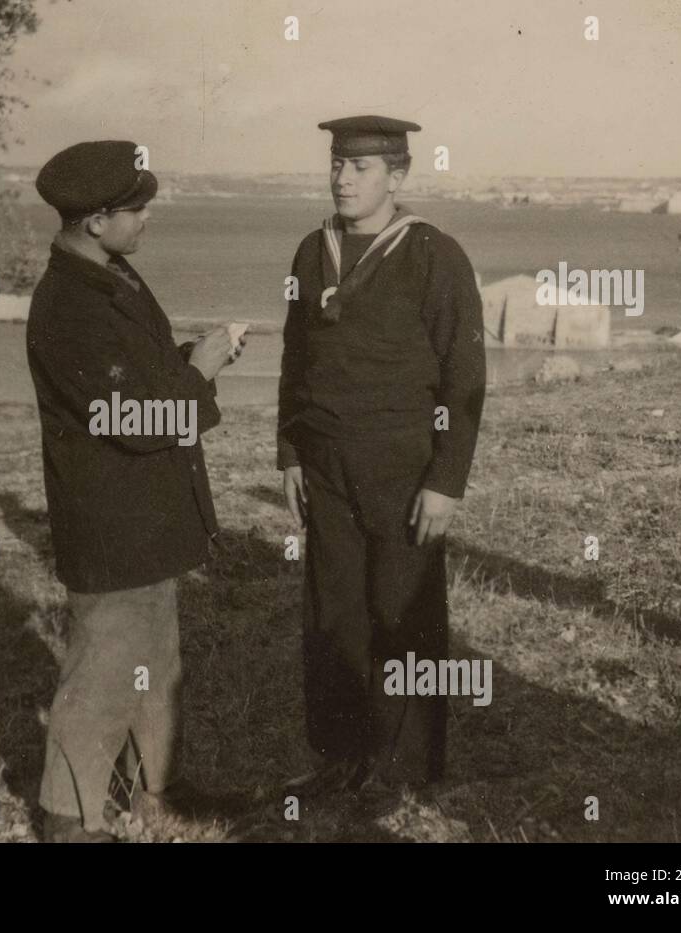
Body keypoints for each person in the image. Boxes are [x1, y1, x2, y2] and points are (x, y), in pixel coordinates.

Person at [26, 140, 245, 841]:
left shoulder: (108, 276)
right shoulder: (70, 303)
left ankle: (160, 791)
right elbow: (127, 417)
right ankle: (70, 819)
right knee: (102, 674)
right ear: (94, 220)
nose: (147, 217)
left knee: (154, 657)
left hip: (142, 516)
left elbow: (135, 385)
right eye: (135, 208)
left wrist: (184, 363)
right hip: (110, 521)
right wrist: (201, 370)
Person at [277, 115, 486, 796]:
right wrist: (288, 454)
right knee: (334, 612)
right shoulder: (313, 251)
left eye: (360, 168)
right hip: (326, 467)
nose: (341, 177)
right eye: (337, 164)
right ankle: (342, 753)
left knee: (403, 613)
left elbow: (465, 376)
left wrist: (446, 480)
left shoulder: (433, 254)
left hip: (403, 468)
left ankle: (402, 771)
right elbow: (294, 358)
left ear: (397, 177)